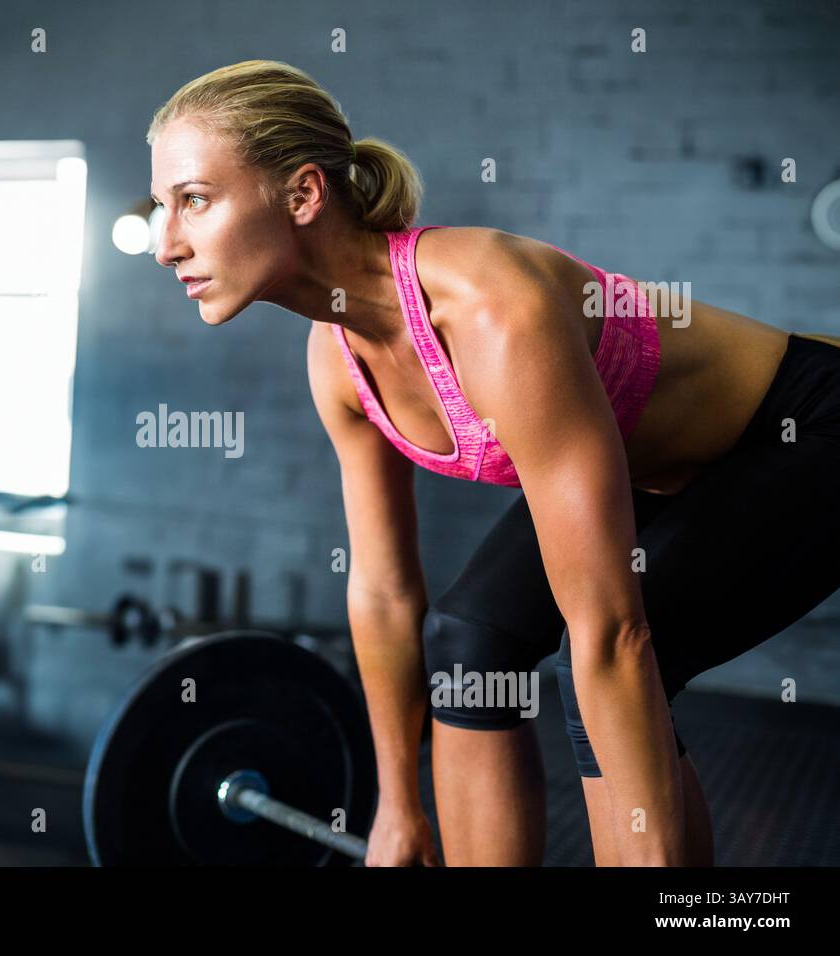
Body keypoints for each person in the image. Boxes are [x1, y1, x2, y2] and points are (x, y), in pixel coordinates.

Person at [147, 59, 840, 867]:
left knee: (607, 679)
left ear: (302, 195)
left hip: (808, 429)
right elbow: (382, 589)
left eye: (194, 200)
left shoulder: (490, 308)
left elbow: (611, 630)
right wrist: (398, 807)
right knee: (468, 637)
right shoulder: (336, 359)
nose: (166, 245)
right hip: (661, 470)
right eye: (161, 207)